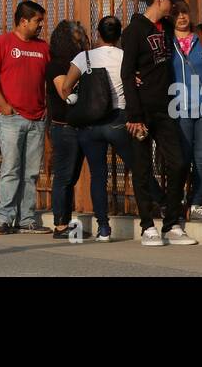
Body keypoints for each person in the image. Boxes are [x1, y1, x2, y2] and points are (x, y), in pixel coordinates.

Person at [121, 0, 197, 247]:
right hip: (141, 112)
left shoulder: (165, 26)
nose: (173, 7)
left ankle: (172, 224)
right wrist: (134, 115)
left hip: (166, 110)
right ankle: (147, 226)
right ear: (159, 0)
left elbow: (190, 29)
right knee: (142, 169)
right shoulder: (132, 31)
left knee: (177, 163)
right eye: (170, 1)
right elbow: (127, 74)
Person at [56, 15, 130, 242]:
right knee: (138, 166)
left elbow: (66, 88)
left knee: (98, 176)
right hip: (118, 119)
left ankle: (104, 228)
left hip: (90, 124)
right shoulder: (126, 57)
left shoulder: (83, 57)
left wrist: (77, 100)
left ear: (98, 33)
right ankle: (161, 210)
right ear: (119, 35)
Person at [0, 0, 52, 235]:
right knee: (11, 169)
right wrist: (3, 104)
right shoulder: (2, 43)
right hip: (11, 118)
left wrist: (46, 108)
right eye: (38, 21)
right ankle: (4, 218)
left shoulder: (43, 47)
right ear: (23, 21)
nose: (41, 26)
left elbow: (50, 79)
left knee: (31, 171)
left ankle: (27, 219)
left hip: (37, 118)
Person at [170, 0, 202, 224]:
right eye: (177, 14)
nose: (182, 17)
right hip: (178, 109)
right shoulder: (167, 42)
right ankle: (177, 203)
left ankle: (197, 202)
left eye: (185, 12)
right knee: (182, 160)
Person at [47, 19, 88, 238]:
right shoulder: (57, 64)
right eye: (76, 33)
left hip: (78, 126)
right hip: (64, 128)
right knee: (63, 176)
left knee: (70, 177)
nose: (81, 36)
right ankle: (60, 225)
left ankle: (66, 222)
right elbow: (64, 92)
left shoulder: (81, 61)